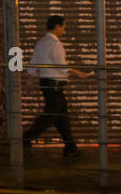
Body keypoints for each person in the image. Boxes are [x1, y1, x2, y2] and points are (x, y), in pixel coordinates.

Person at [24, 14, 92, 155]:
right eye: (63, 27)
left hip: (46, 83)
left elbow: (33, 63)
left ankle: (70, 146)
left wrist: (30, 79)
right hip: (54, 85)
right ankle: (27, 137)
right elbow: (61, 65)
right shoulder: (56, 44)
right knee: (52, 115)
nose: (64, 30)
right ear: (57, 26)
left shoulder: (41, 42)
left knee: (62, 116)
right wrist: (78, 72)